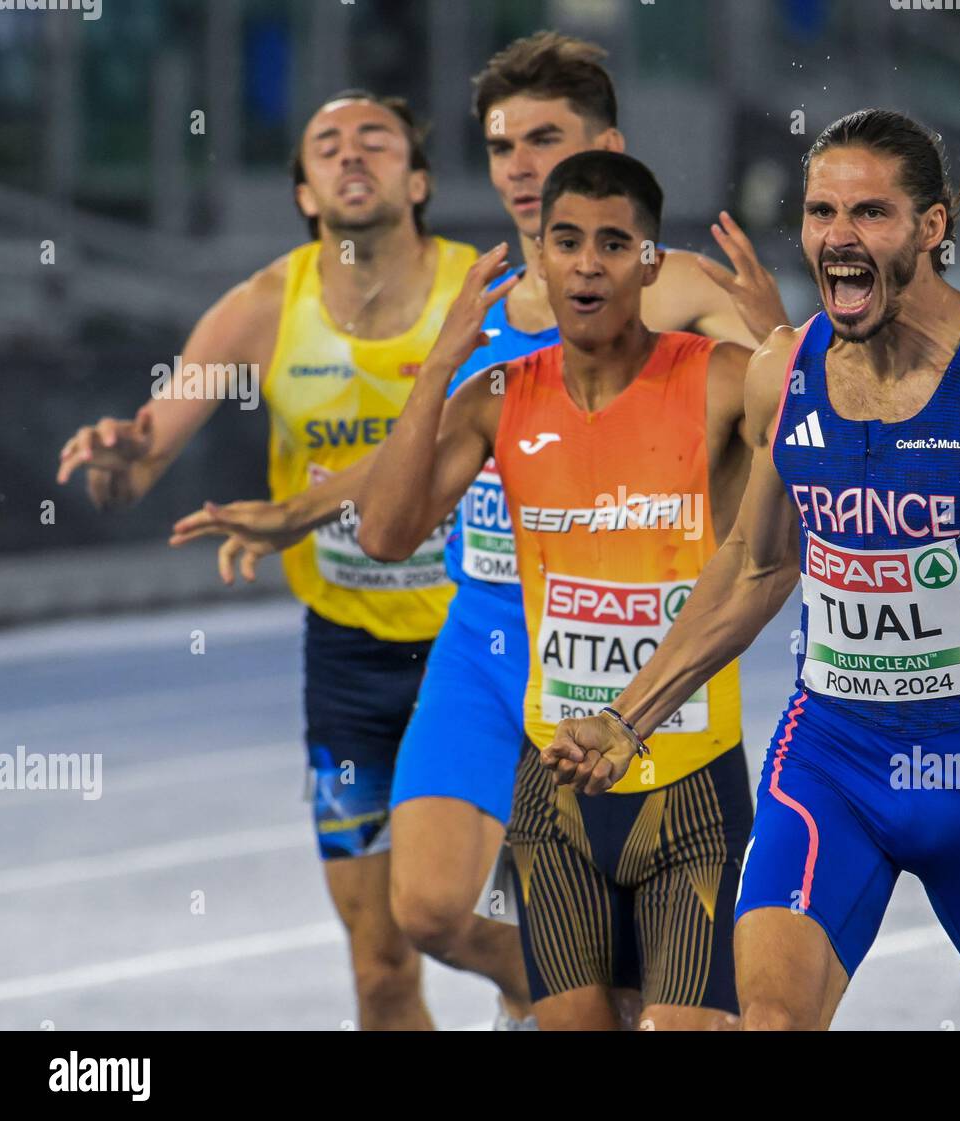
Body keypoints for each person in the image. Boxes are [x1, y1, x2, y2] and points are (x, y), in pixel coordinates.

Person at [170, 33, 786, 1029]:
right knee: (426, 906)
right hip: (488, 635)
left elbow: (792, 431)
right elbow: (427, 446)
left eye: (546, 139)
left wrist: (782, 356)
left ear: (610, 146)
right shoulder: (481, 293)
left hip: (640, 647)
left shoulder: (678, 294)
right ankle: (567, 990)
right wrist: (299, 508)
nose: (522, 167)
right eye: (502, 147)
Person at [541, 109, 960, 1031]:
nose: (837, 238)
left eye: (871, 214)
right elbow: (757, 565)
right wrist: (625, 718)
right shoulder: (785, 372)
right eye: (820, 213)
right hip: (831, 759)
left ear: (933, 227)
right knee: (765, 1020)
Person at [56, 92, 479, 1030]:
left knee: (533, 938)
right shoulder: (258, 311)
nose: (350, 152)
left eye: (376, 138)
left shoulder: (484, 298)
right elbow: (140, 465)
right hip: (351, 665)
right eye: (325, 143)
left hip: (490, 651)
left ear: (419, 181)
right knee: (378, 966)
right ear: (302, 191)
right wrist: (118, 465)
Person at [360, 150, 758, 1028]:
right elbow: (386, 534)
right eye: (565, 241)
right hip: (560, 794)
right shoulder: (501, 397)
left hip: (686, 784)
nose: (586, 263)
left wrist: (787, 352)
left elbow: (824, 472)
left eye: (614, 244)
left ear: (651, 264)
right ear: (538, 258)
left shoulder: (718, 376)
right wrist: (437, 369)